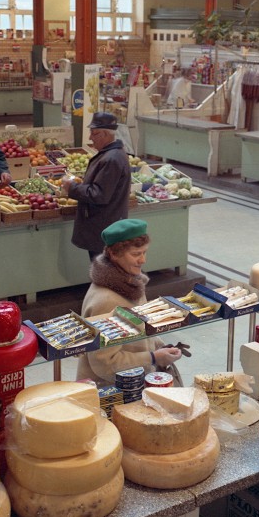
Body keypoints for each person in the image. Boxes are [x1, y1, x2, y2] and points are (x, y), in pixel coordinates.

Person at [77, 218, 184, 385]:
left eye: (144, 252)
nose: (143, 260)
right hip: (109, 389)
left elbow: (140, 331)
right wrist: (153, 357)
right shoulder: (107, 300)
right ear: (113, 254)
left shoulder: (130, 284)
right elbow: (104, 363)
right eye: (135, 254)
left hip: (132, 380)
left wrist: (159, 347)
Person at [59, 111, 132, 264]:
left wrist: (71, 187)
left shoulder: (111, 159)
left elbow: (99, 194)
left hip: (104, 227)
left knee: (105, 270)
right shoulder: (110, 155)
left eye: (94, 133)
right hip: (104, 225)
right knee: (105, 269)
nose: (90, 138)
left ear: (105, 134)